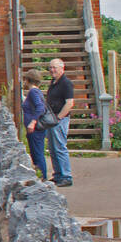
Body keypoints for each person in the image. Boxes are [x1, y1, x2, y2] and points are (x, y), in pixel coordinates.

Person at [46, 58, 75, 186]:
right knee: (52, 148)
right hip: (51, 119)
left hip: (59, 120)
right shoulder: (53, 82)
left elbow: (69, 103)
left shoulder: (66, 83)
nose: (52, 70)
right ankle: (58, 174)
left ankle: (66, 176)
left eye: (55, 68)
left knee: (60, 147)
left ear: (62, 68)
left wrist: (59, 117)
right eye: (50, 67)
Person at [21, 69, 49, 180]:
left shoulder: (33, 92)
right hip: (36, 130)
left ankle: (42, 178)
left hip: (35, 130)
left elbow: (40, 108)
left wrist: (32, 122)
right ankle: (41, 176)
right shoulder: (36, 92)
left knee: (38, 153)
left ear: (28, 80)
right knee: (37, 153)